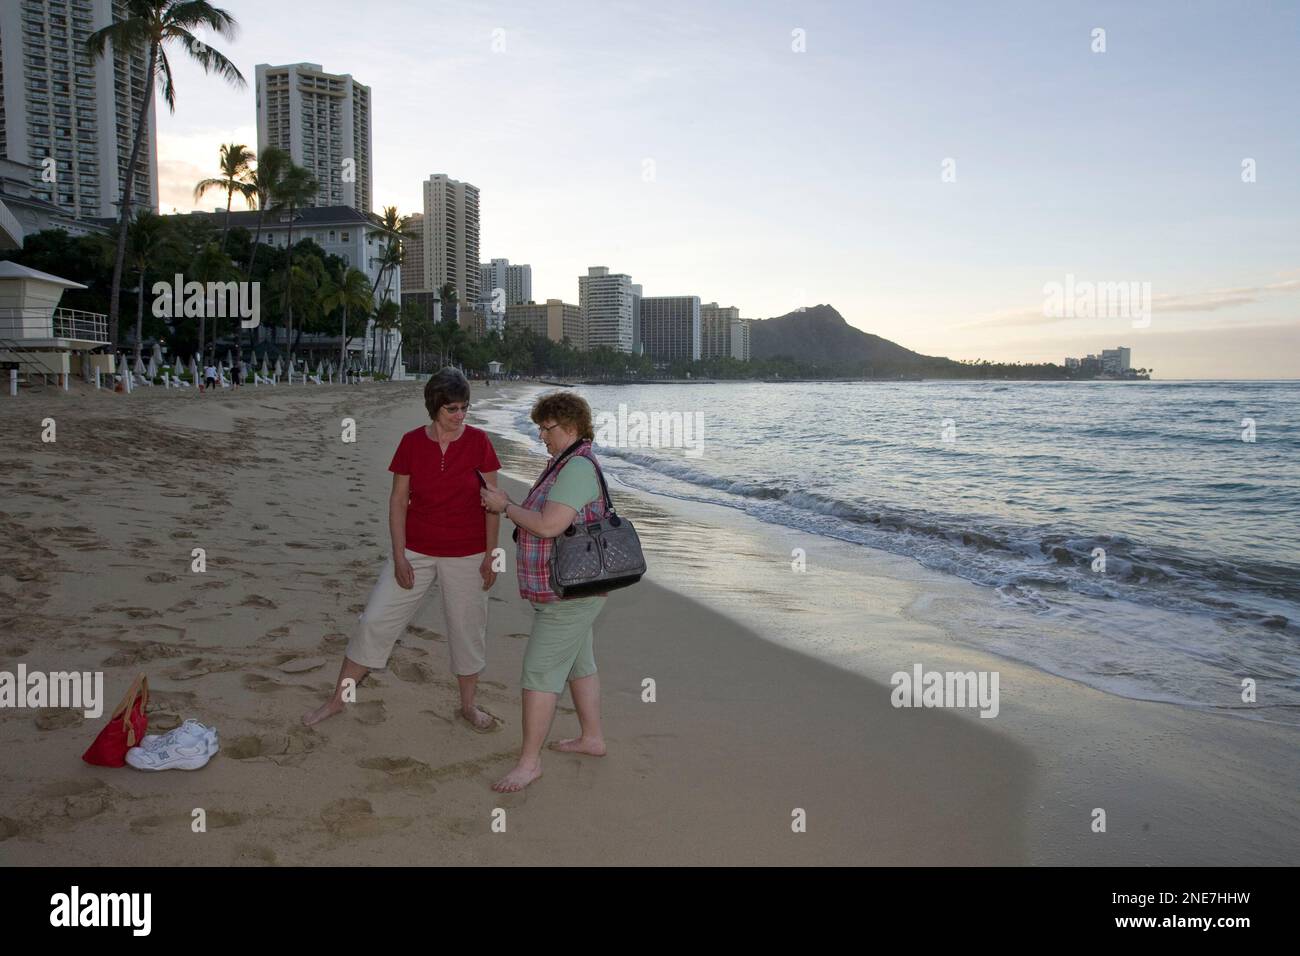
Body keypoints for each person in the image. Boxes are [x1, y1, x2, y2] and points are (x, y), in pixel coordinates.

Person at [304, 367, 503, 730]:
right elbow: (398, 502)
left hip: (467, 553)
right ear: (435, 407)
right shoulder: (411, 442)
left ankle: (468, 706)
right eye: (452, 409)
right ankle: (337, 700)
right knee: (374, 622)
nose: (460, 416)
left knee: (467, 631)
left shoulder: (479, 443)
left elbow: (493, 504)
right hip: (416, 550)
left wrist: (491, 556)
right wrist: (398, 555)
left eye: (464, 408)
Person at [480, 391, 610, 792]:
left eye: (547, 428)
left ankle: (529, 763)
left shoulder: (575, 468)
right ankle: (592, 738)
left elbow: (550, 525)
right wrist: (512, 507)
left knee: (539, 672)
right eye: (539, 428)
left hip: (570, 594)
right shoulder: (567, 462)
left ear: (570, 426)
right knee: (578, 662)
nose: (541, 436)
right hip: (573, 588)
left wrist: (505, 507)